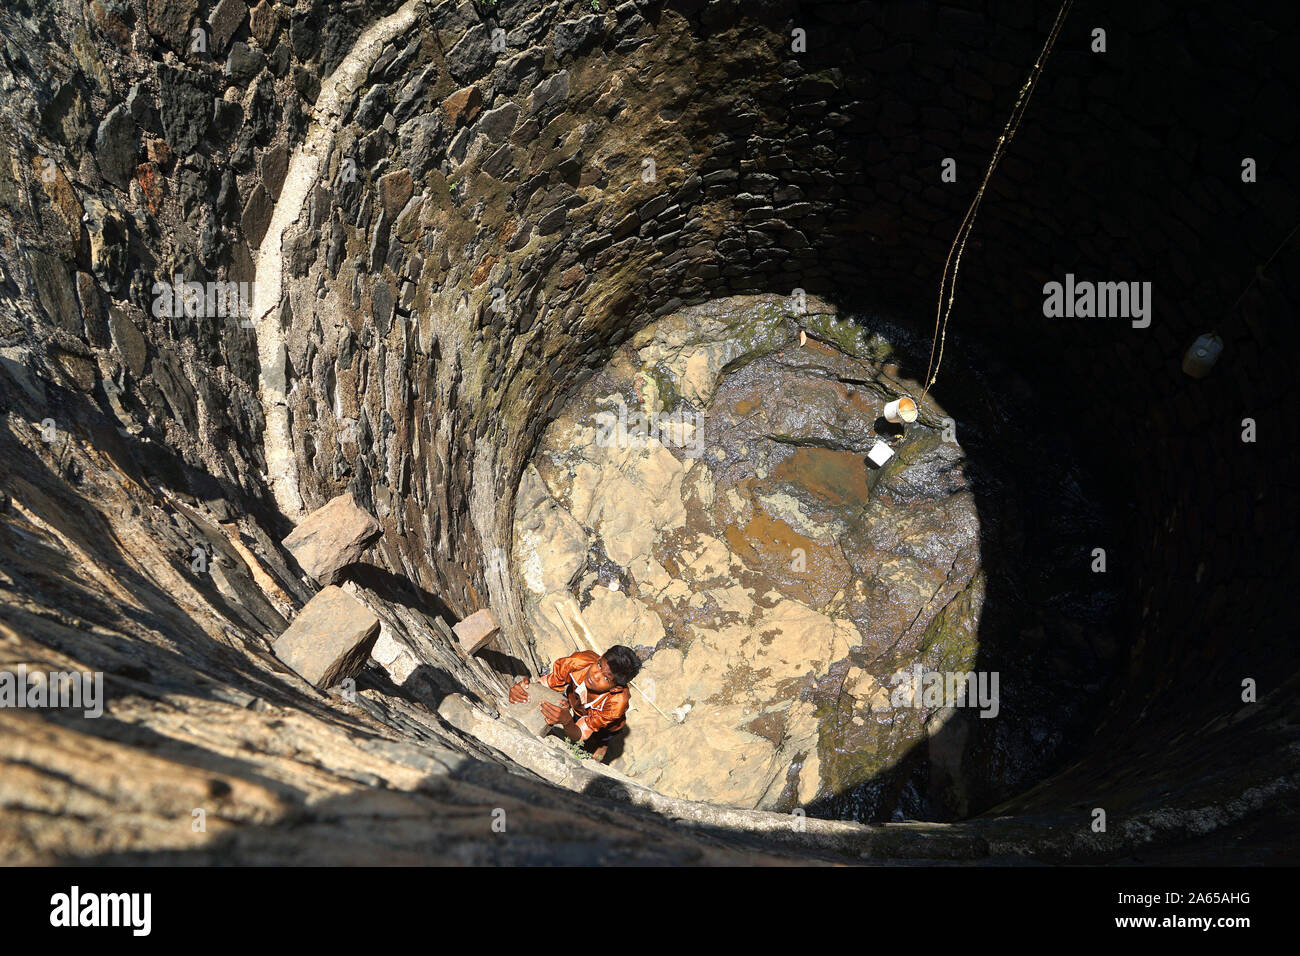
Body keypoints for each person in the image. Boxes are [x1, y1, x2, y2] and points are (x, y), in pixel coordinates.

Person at [509, 646, 641, 761]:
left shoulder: (615, 705)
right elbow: (547, 683)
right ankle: (576, 716)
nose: (595, 675)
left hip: (604, 721)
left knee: (603, 734)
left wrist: (567, 722)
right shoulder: (577, 663)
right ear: (599, 658)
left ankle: (602, 745)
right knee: (574, 713)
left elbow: (580, 734)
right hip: (575, 701)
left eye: (606, 678)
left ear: (615, 688)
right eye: (599, 665)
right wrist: (526, 689)